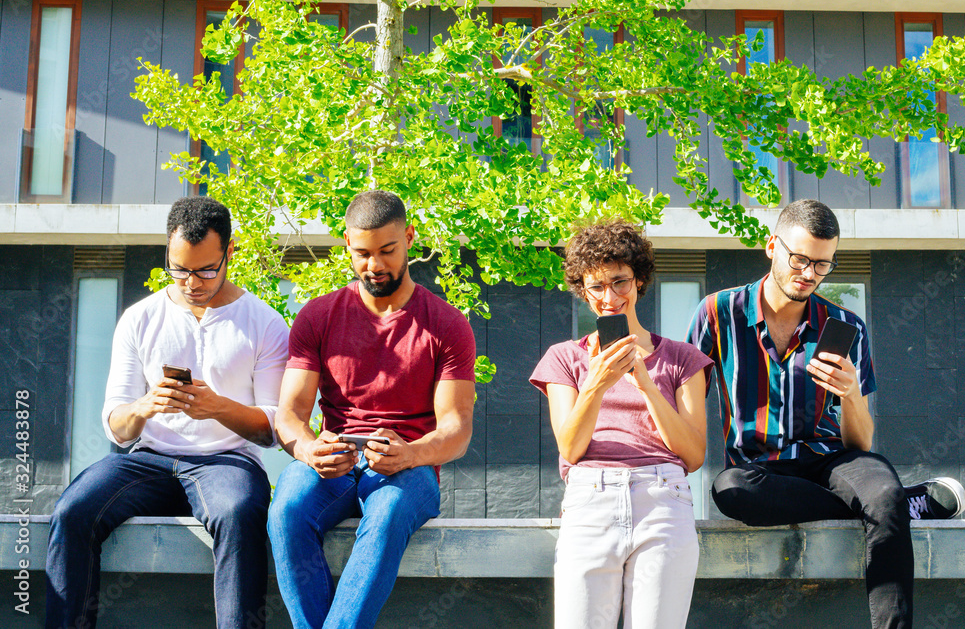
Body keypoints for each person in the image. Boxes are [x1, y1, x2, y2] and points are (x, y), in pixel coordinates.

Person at [686, 199, 965, 629]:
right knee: (730, 490)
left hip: (833, 458)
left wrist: (851, 393)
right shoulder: (716, 313)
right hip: (760, 471)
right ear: (771, 246)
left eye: (822, 265)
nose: (809, 274)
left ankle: (889, 508)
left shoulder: (844, 325)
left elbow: (861, 443)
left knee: (881, 489)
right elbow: (685, 405)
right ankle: (893, 506)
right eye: (800, 259)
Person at [45, 196, 290, 628]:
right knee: (72, 511)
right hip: (149, 459)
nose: (191, 282)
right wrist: (143, 406)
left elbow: (272, 429)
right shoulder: (140, 318)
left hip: (227, 463)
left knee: (239, 512)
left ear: (231, 251)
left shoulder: (265, 323)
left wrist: (219, 407)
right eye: (179, 269)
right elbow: (118, 429)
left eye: (205, 270)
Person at [267, 190, 477, 629]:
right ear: (346, 244)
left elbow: (456, 428)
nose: (375, 266)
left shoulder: (447, 325)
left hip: (409, 468)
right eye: (362, 253)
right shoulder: (318, 316)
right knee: (287, 508)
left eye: (387, 251)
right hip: (334, 462)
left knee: (387, 517)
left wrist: (413, 453)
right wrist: (309, 450)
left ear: (410, 240)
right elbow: (289, 414)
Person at [529, 221, 712, 629]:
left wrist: (645, 383)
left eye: (620, 282)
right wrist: (595, 383)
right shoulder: (565, 358)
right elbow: (571, 449)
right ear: (583, 289)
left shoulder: (683, 358)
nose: (609, 298)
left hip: (663, 499)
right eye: (596, 286)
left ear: (640, 280)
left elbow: (694, 455)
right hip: (590, 499)